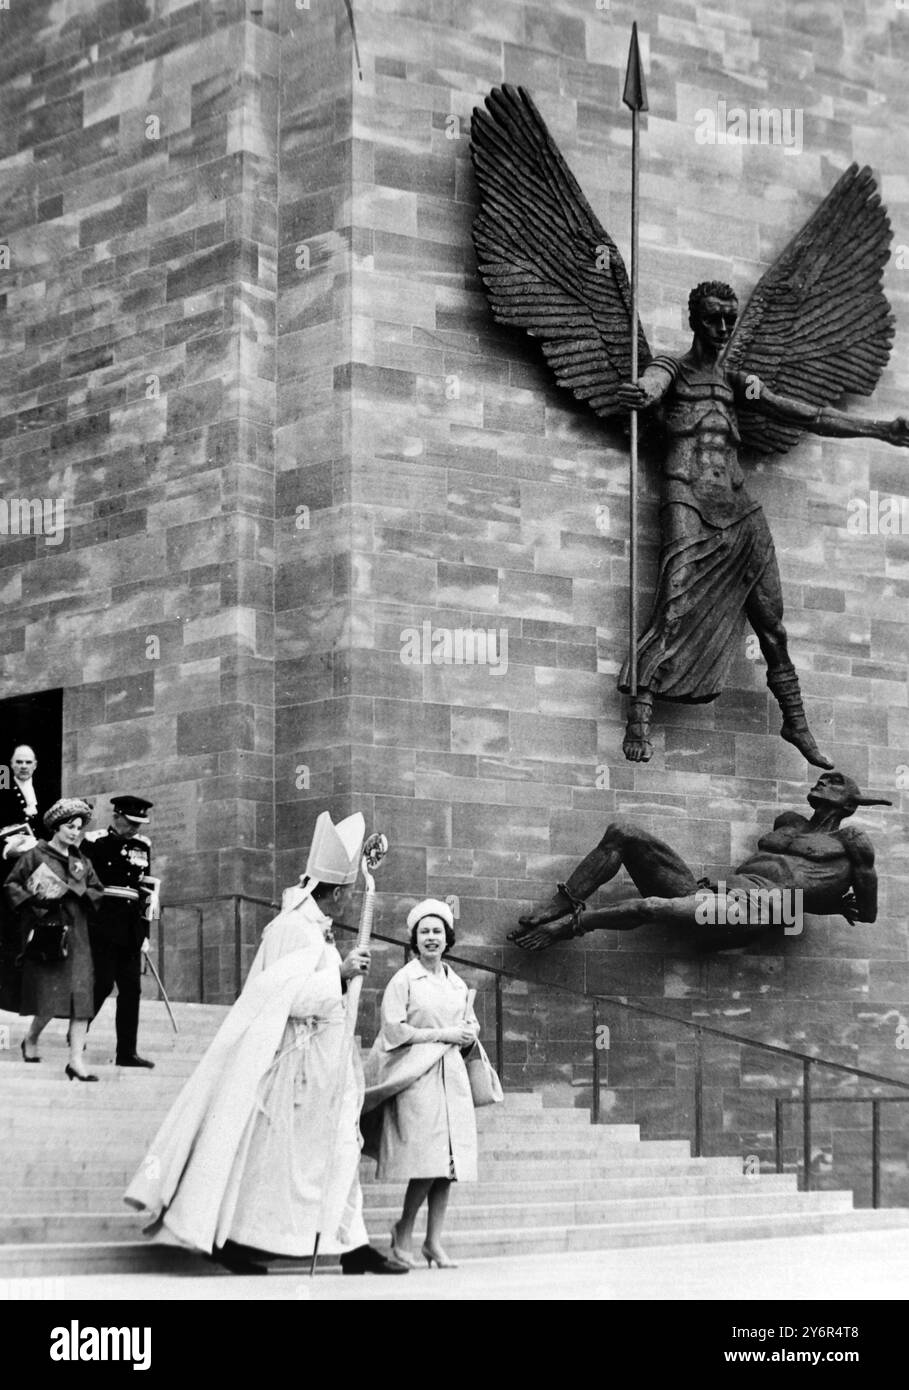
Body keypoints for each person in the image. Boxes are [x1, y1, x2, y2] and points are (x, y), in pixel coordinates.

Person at [124, 810, 408, 1276]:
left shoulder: (317, 928)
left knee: (340, 1147)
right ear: (335, 892)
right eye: (347, 893)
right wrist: (339, 974)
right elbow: (281, 996)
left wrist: (341, 979)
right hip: (291, 1065)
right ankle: (236, 1240)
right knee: (270, 1160)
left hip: (327, 1061)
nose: (348, 900)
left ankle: (352, 1244)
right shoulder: (291, 928)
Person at [511, 771, 891, 950]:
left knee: (652, 906)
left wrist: (827, 904)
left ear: (850, 803)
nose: (823, 781)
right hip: (719, 893)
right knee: (623, 832)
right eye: (823, 777)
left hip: (766, 908)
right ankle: (563, 902)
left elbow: (866, 912)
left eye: (835, 781)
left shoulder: (852, 840)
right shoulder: (787, 823)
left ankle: (568, 927)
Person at [362, 899, 479, 1269]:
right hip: (416, 1077)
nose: (431, 938)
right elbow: (394, 1029)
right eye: (425, 932)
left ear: (448, 939)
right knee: (428, 1160)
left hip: (451, 1077)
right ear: (415, 939)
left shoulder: (457, 982)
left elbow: (470, 1023)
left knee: (449, 1163)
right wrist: (444, 1033)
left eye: (437, 932)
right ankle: (403, 1229)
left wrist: (469, 1033)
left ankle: (433, 1241)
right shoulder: (405, 979)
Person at [3, 799, 105, 1079]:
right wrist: (36, 901)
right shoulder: (36, 855)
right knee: (49, 998)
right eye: (70, 827)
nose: (75, 833)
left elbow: (98, 890)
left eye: (79, 828)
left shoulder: (82, 861)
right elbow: (12, 884)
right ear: (56, 827)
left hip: (78, 935)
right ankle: (31, 1038)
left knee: (82, 999)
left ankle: (75, 1061)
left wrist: (81, 893)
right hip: (49, 929)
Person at [82, 795, 156, 1068]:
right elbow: (86, 883)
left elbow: (148, 890)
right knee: (101, 983)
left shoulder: (143, 845)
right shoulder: (95, 841)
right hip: (102, 923)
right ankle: (78, 1031)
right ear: (117, 817)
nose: (136, 828)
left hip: (131, 927)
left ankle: (127, 1052)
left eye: (139, 823)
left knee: (131, 990)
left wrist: (147, 929)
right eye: (131, 822)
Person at [0, 745, 49, 864]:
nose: (23, 766)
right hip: (11, 863)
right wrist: (6, 851)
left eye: (28, 762)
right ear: (11, 764)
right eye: (19, 762)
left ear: (35, 765)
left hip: (40, 862)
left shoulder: (45, 790)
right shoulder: (3, 791)